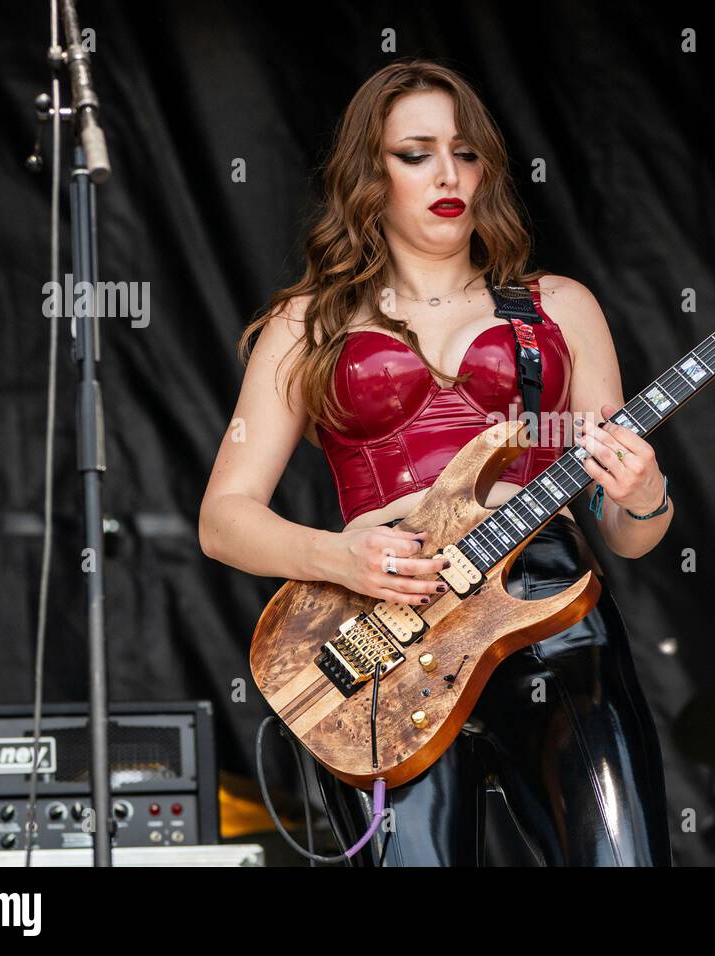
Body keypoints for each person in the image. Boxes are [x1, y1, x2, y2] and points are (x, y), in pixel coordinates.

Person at [199, 58, 673, 866]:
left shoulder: (561, 308)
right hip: (387, 643)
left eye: (465, 152)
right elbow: (224, 519)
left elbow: (623, 533)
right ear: (368, 175)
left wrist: (647, 494)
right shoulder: (305, 325)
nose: (447, 174)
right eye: (415, 153)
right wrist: (336, 554)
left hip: (551, 621)